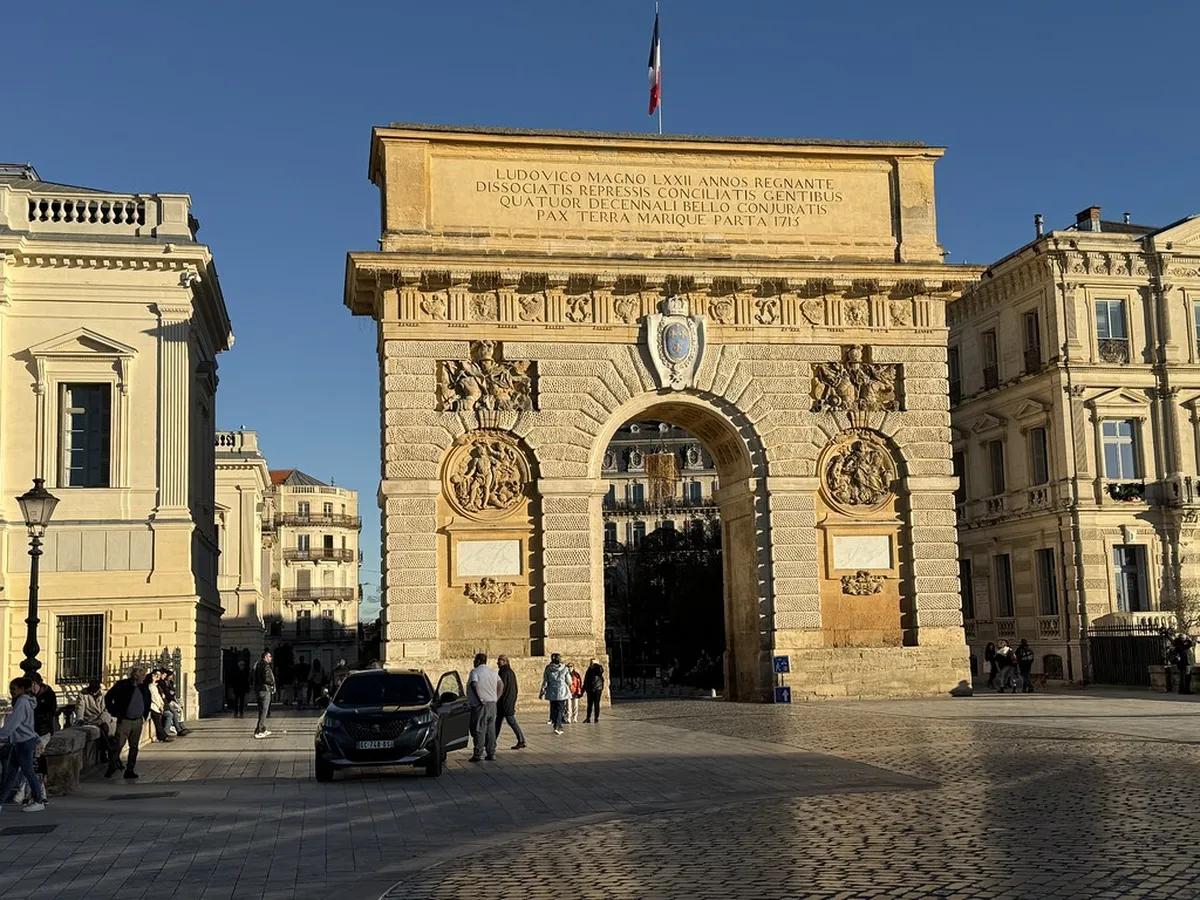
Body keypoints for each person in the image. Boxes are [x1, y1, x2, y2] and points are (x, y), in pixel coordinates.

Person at [0, 678, 47, 812]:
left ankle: (39, 800)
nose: (11, 691)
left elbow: (13, 723)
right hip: (22, 741)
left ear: (21, 689)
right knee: (11, 774)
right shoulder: (26, 702)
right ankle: (1, 801)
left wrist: (2, 734)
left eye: (13, 689)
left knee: (27, 772)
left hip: (23, 742)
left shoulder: (22, 702)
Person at [104, 666, 152, 780]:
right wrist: (114, 711)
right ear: (136, 676)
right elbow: (108, 697)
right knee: (118, 745)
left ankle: (130, 770)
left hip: (137, 720)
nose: (144, 677)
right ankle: (112, 766)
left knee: (134, 747)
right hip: (124, 720)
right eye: (142, 675)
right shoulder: (122, 685)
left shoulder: (144, 687)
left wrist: (144, 715)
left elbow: (147, 700)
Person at [466, 652, 503, 762]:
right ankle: (491, 753)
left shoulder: (475, 672)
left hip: (480, 705)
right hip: (492, 704)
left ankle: (478, 754)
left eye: (474, 660)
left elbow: (474, 684)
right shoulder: (493, 672)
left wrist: (479, 699)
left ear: (477, 661)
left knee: (479, 729)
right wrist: (496, 697)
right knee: (490, 729)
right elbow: (501, 684)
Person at [74, 680, 118, 765]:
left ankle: (105, 750)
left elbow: (107, 710)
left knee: (105, 727)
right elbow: (80, 707)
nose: (94, 692)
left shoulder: (104, 694)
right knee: (103, 729)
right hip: (90, 719)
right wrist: (80, 719)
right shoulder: (83, 695)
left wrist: (101, 719)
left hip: (102, 718)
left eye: (95, 690)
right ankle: (107, 750)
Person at [495, 655, 526, 750]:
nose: (497, 663)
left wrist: (496, 698)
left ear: (504, 662)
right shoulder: (509, 671)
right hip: (508, 700)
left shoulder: (504, 671)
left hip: (504, 701)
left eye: (499, 661)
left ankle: (521, 740)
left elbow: (501, 687)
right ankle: (491, 741)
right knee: (498, 722)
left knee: (511, 721)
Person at [539, 653, 572, 735]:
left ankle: (556, 725)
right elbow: (569, 681)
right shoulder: (564, 668)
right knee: (560, 709)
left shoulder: (548, 668)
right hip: (562, 691)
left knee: (554, 709)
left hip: (552, 691)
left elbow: (545, 681)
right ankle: (558, 726)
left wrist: (542, 691)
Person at [253, 650, 276, 738]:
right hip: (265, 689)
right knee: (264, 711)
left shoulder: (258, 664)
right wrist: (272, 684)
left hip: (259, 689)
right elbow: (266, 678)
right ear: (265, 657)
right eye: (270, 656)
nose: (271, 658)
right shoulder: (265, 665)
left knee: (261, 710)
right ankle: (259, 731)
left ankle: (262, 729)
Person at [583, 658, 605, 723]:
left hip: (597, 689)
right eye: (591, 662)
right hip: (590, 689)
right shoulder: (589, 669)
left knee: (596, 704)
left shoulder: (599, 668)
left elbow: (600, 672)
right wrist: (584, 688)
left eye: (593, 662)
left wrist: (596, 665)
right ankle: (588, 718)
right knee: (589, 704)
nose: (591, 663)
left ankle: (596, 718)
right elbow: (586, 678)